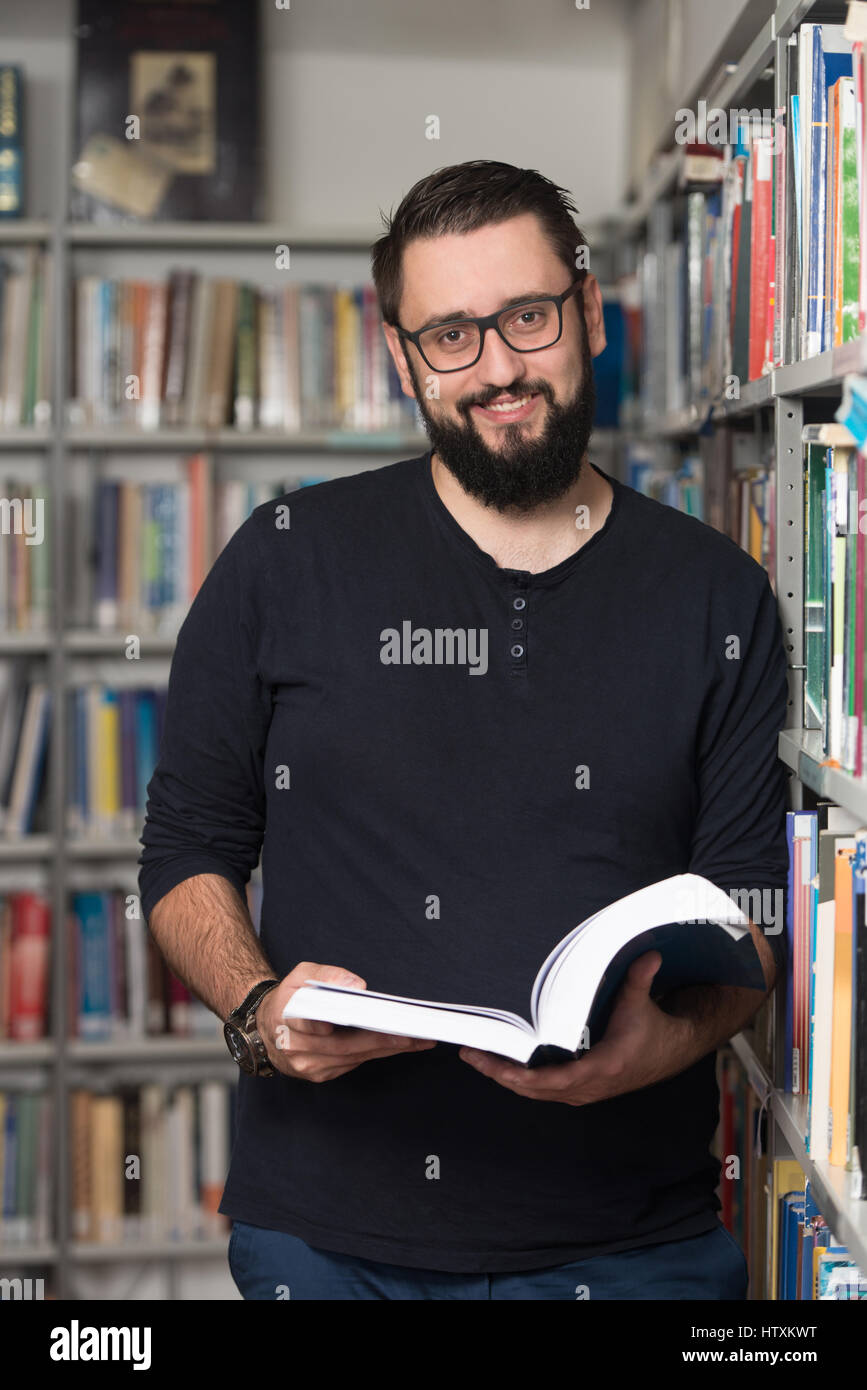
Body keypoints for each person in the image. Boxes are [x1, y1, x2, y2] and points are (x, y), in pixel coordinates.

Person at [138, 160, 789, 1301]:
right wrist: (256, 1010)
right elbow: (186, 849)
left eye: (526, 317)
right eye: (450, 334)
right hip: (329, 1244)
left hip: (634, 1248)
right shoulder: (284, 559)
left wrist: (668, 1047)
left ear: (588, 311)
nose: (496, 368)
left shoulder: (717, 598)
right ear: (402, 357)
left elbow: (752, 916)